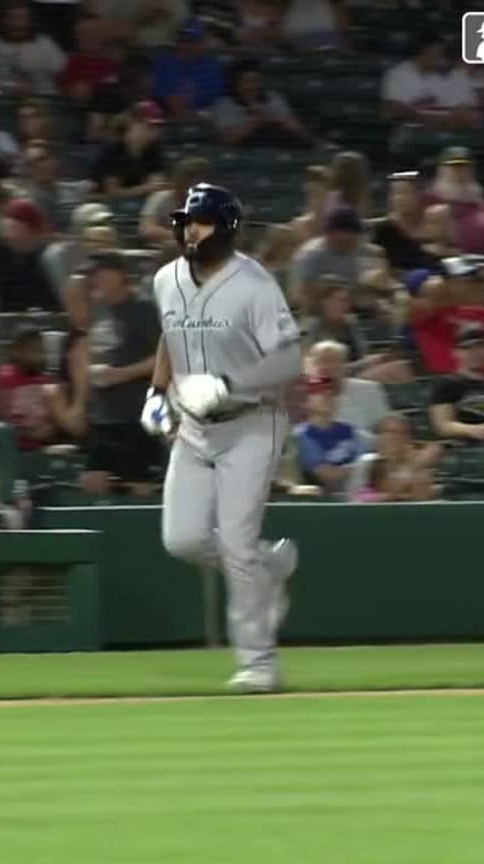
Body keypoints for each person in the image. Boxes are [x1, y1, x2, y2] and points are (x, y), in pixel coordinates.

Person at [139, 183, 302, 694]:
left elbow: (288, 359)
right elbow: (170, 333)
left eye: (202, 221)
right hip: (192, 427)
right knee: (182, 539)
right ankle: (268, 565)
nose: (191, 229)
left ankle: (259, 662)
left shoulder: (255, 285)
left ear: (227, 228)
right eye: (187, 220)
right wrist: (155, 391)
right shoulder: (166, 279)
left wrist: (232, 384)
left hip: (251, 423)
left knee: (234, 543)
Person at [81, 252, 162, 496]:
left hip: (135, 413)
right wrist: (91, 371)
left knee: (138, 484)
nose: (95, 279)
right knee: (92, 481)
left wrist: (124, 374)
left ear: (119, 275)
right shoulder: (97, 312)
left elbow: (165, 356)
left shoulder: (143, 310)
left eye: (100, 272)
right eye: (93, 274)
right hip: (103, 415)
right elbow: (94, 352)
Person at [426, 323, 484, 445]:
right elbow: (442, 425)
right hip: (465, 452)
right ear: (455, 352)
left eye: (480, 346)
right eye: (467, 348)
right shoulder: (447, 384)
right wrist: (474, 430)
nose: (475, 352)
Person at [291, 376, 364, 495]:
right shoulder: (301, 435)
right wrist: (358, 469)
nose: (326, 397)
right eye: (318, 393)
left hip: (356, 495)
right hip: (322, 498)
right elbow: (327, 475)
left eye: (330, 394)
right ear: (306, 402)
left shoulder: (348, 431)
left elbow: (368, 466)